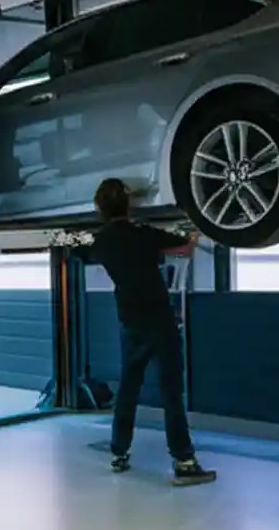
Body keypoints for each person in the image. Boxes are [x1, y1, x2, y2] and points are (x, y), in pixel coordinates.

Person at [86, 178, 217, 486]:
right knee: (171, 391)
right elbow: (184, 248)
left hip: (129, 323)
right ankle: (184, 461)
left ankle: (119, 451)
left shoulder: (101, 242)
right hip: (159, 322)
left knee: (128, 389)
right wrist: (195, 232)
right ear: (128, 204)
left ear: (98, 209)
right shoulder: (143, 234)